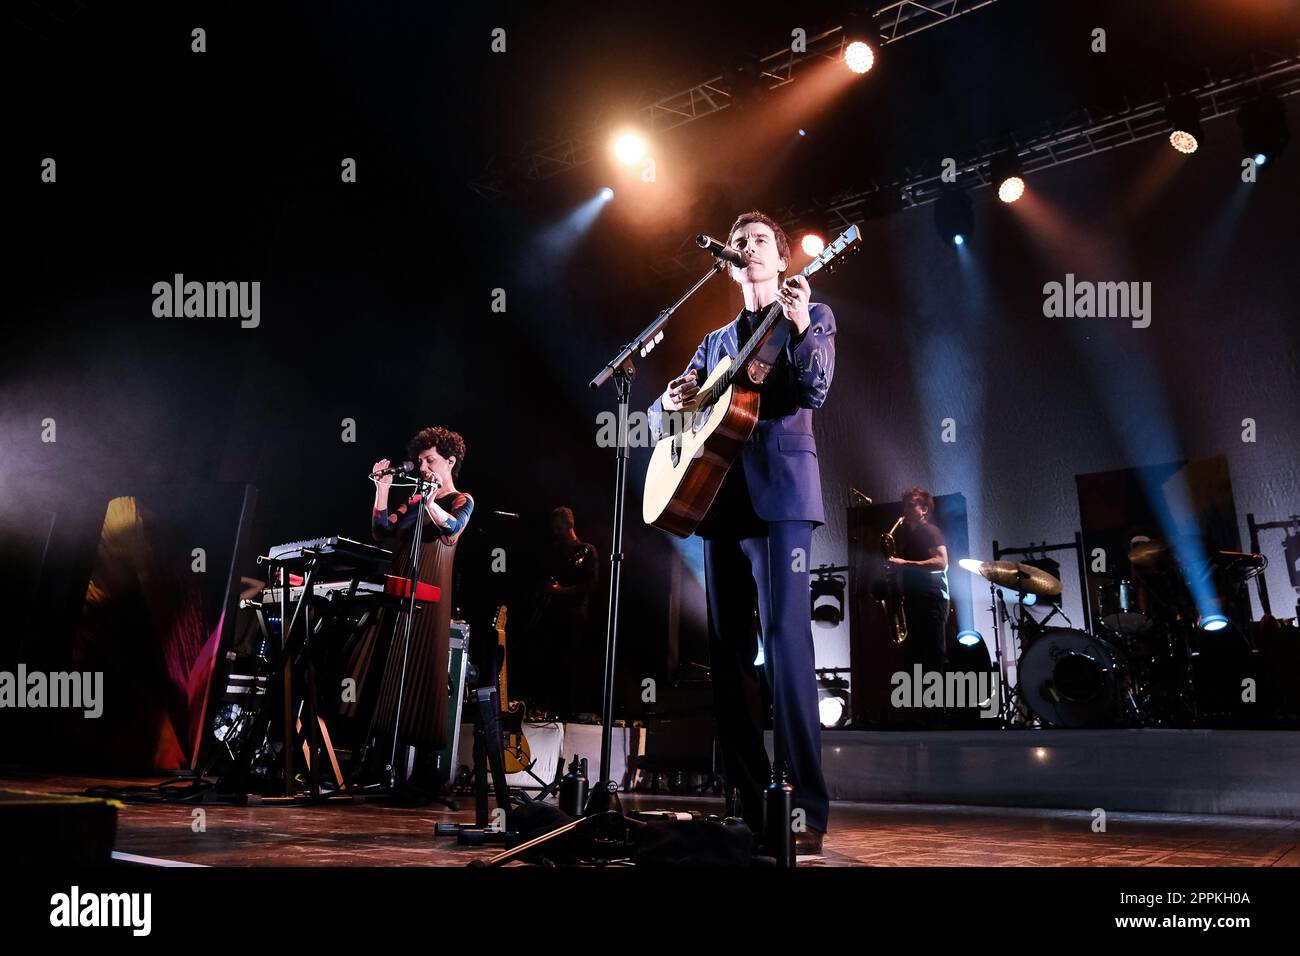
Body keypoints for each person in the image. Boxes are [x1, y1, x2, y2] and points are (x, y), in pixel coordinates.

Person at [647, 210, 836, 855]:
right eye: (740, 242)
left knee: (787, 645)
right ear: (729, 262)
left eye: (760, 240)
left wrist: (805, 326)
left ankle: (805, 808)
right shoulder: (713, 341)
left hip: (781, 499)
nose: (748, 247)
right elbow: (668, 419)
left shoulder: (810, 317)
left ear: (782, 260)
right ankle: (748, 804)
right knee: (727, 652)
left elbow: (814, 387)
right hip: (721, 501)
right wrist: (669, 404)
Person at [351, 426, 473, 790]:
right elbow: (381, 530)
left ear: (450, 461)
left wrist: (431, 498)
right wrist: (383, 489)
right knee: (386, 668)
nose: (423, 467)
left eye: (430, 460)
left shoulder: (461, 499)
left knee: (423, 674)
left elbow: (452, 528)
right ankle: (375, 765)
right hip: (399, 586)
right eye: (420, 461)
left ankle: (422, 777)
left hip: (431, 591)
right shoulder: (416, 500)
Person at [528, 506, 599, 720]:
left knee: (567, 663)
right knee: (547, 661)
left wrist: (561, 591)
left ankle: (566, 711)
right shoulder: (555, 552)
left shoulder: (587, 551)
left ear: (569, 525)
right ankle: (543, 708)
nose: (555, 531)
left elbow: (590, 585)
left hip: (574, 615)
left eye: (558, 527)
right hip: (552, 616)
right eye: (554, 527)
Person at [888, 487, 950, 688]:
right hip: (917, 599)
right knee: (920, 656)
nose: (906, 509)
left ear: (924, 509)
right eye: (905, 505)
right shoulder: (911, 537)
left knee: (933, 656)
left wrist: (903, 564)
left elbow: (941, 563)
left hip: (931, 599)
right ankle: (925, 712)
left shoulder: (930, 531)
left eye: (911, 505)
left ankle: (936, 713)